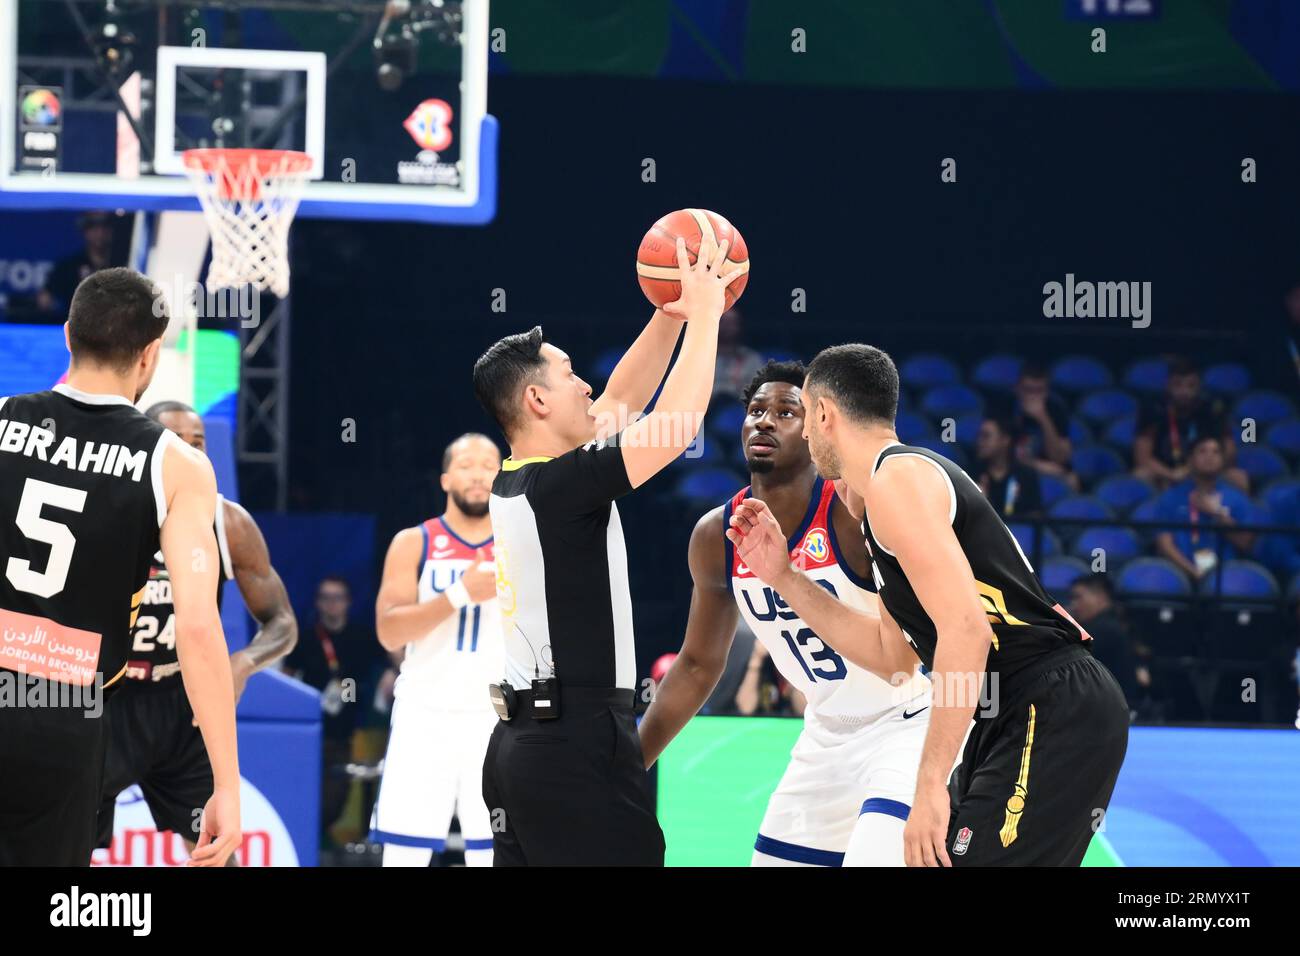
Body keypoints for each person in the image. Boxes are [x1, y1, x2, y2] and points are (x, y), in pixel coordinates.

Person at [726, 344, 1130, 867]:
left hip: (1047, 701)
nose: (802, 434)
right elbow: (889, 656)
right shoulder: (884, 500)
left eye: (804, 418)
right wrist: (783, 575)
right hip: (1007, 710)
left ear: (823, 414)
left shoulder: (898, 480)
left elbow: (968, 631)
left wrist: (930, 784)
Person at [472, 234, 744, 865]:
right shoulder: (561, 486)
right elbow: (675, 426)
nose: (587, 386)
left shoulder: (520, 478)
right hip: (574, 745)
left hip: (521, 748)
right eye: (570, 376)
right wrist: (706, 313)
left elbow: (619, 400)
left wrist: (668, 312)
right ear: (537, 400)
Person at [640, 360, 929, 867]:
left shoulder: (853, 509)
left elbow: (908, 653)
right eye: (755, 410)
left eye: (786, 411)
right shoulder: (718, 534)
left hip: (906, 721)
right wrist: (630, 764)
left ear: (818, 426)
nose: (765, 421)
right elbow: (697, 665)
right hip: (825, 733)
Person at [0, 267, 240, 866]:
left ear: (66, 335)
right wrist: (227, 782)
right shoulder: (177, 465)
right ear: (151, 353)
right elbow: (199, 629)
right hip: (66, 709)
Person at [95, 400, 297, 862]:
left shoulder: (228, 522)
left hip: (184, 704)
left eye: (199, 443)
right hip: (106, 698)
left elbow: (282, 621)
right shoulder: (107, 509)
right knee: (63, 843)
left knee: (216, 847)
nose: (191, 452)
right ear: (146, 447)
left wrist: (243, 664)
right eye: (177, 442)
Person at [370, 433, 502, 867]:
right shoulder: (414, 542)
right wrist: (459, 594)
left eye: (488, 463)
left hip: (496, 719)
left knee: (497, 854)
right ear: (446, 479)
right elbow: (389, 632)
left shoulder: (522, 545)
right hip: (424, 715)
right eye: (467, 464)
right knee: (404, 853)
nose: (479, 473)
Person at [283, 575, 386, 844]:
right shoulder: (305, 638)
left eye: (338, 598)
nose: (332, 604)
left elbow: (389, 659)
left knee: (336, 797)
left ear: (348, 602)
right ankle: (305, 843)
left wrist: (391, 673)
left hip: (347, 731)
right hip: (309, 732)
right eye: (326, 598)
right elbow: (286, 676)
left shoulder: (361, 636)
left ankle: (320, 839)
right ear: (318, 602)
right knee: (304, 795)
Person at [1153, 434, 1259, 581]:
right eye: (1202, 451)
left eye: (1216, 452)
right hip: (1181, 575)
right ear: (1190, 460)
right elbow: (1165, 545)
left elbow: (1245, 543)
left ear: (1222, 461)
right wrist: (1193, 572)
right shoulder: (1171, 497)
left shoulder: (1237, 499)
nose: (1209, 456)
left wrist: (1216, 515)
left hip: (1227, 577)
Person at [1134, 356, 1245, 491]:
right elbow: (1143, 458)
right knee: (1141, 475)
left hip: (1203, 470)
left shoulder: (1212, 409)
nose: (1184, 391)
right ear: (1167, 385)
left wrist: (1199, 470)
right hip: (1164, 472)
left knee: (1238, 477)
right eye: (1178, 385)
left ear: (1199, 387)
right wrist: (1171, 474)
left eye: (1191, 385)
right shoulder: (1152, 409)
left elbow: (1228, 450)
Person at [1067, 575, 1143, 712]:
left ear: (1100, 597)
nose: (1073, 605)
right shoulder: (1113, 624)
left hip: (1108, 710)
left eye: (1078, 597)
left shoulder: (1103, 629)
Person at [992, 362, 1073, 480]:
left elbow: (1059, 457)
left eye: (1039, 391)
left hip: (1047, 472)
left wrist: (1043, 418)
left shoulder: (1056, 409)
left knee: (1071, 480)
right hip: (1011, 469)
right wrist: (1036, 465)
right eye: (1028, 390)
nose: (1033, 397)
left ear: (1047, 391)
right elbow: (994, 453)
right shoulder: (1003, 407)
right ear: (1017, 388)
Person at [36, 211, 124, 318]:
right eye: (92, 226)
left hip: (115, 327)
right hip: (75, 328)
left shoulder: (124, 264)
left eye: (105, 225)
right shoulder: (67, 267)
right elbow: (45, 300)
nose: (100, 232)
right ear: (84, 230)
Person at [974, 416, 1043, 518]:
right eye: (979, 436)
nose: (980, 442)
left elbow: (1036, 517)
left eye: (986, 436)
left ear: (1005, 440)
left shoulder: (1026, 475)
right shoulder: (970, 474)